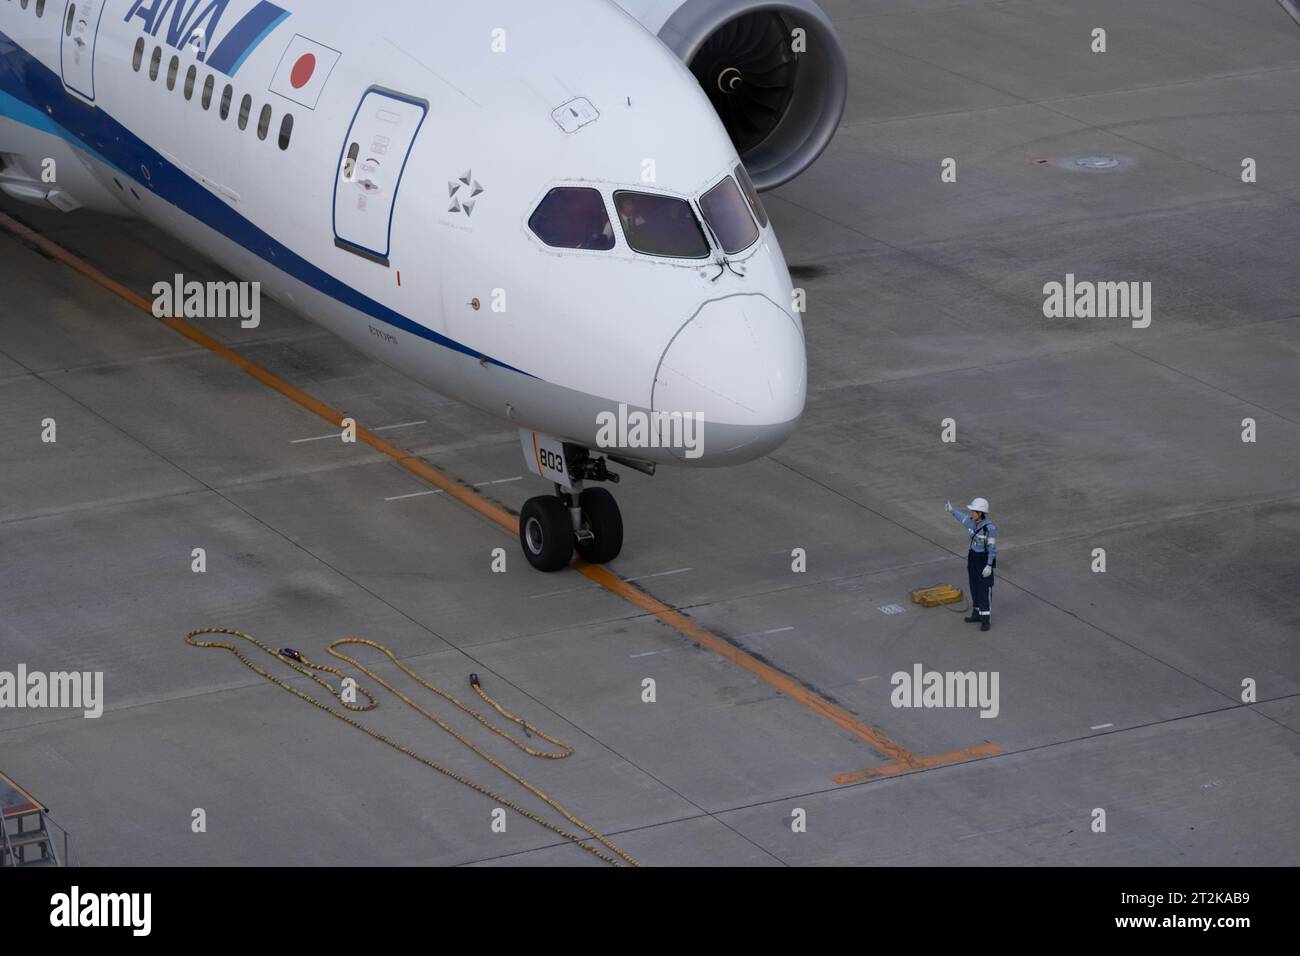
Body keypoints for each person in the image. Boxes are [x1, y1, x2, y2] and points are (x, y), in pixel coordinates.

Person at [946, 497, 997, 631]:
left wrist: (989, 565)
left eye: (973, 512)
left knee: (984, 589)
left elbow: (992, 549)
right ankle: (977, 613)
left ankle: (986, 619)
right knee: (974, 585)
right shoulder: (972, 522)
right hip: (973, 557)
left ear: (980, 513)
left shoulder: (989, 529)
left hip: (983, 559)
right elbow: (961, 517)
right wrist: (952, 510)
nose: (971, 514)